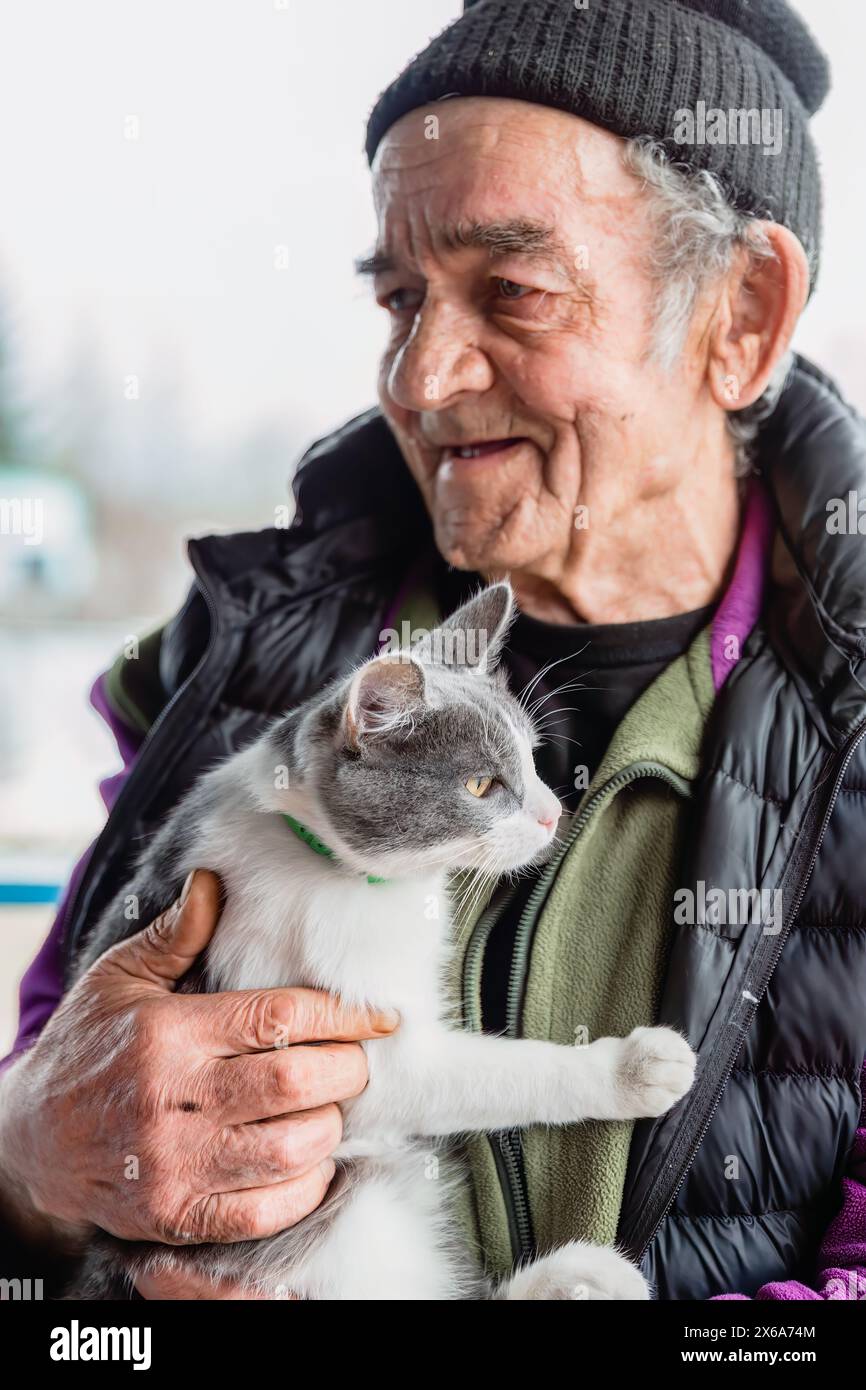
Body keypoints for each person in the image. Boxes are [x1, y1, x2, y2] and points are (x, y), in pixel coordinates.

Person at [2, 0, 865, 1300]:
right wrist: (31, 1161)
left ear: (740, 315)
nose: (416, 375)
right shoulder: (238, 651)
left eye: (513, 291)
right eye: (400, 297)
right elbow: (55, 1086)